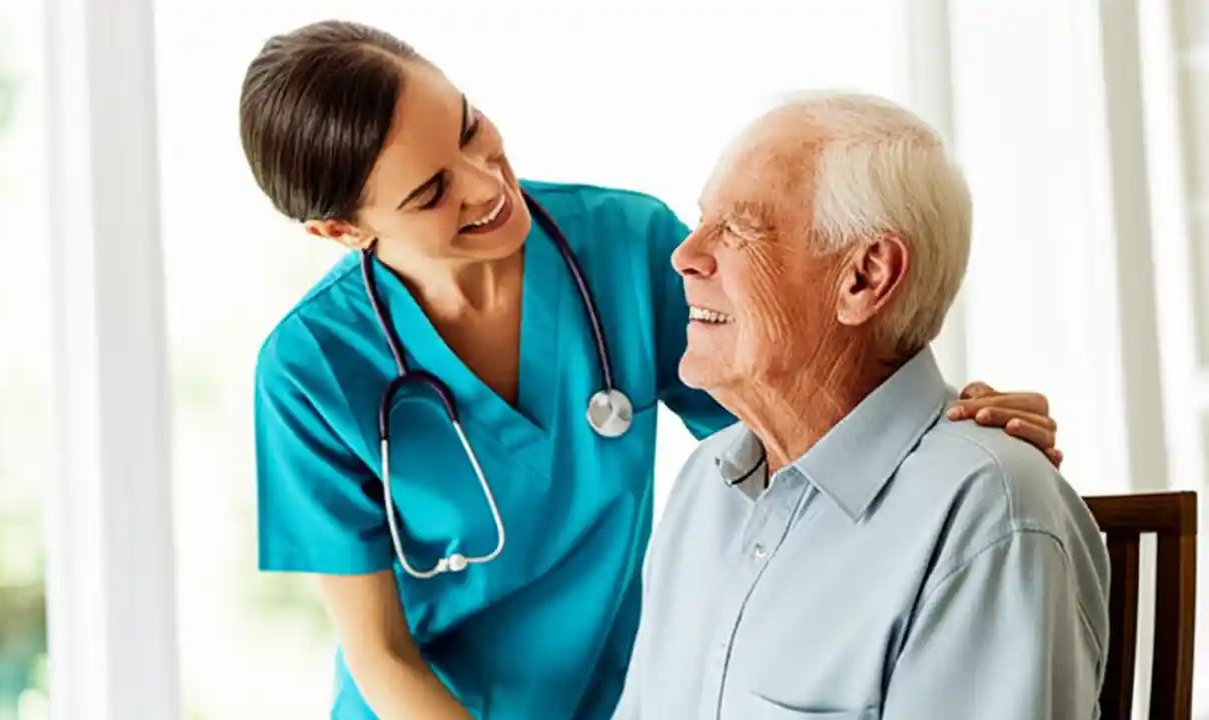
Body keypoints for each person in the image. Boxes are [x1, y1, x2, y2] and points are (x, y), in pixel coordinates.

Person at [240, 20, 1066, 720]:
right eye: (430, 192)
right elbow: (380, 653)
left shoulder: (625, 246)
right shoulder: (309, 370)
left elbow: (805, 428)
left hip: (623, 695)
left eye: (468, 127)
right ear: (343, 231)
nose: (487, 183)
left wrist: (943, 427)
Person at [614, 92, 1109, 720]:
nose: (684, 256)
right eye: (704, 218)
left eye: (738, 228)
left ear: (865, 278)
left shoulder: (985, 512)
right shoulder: (703, 488)